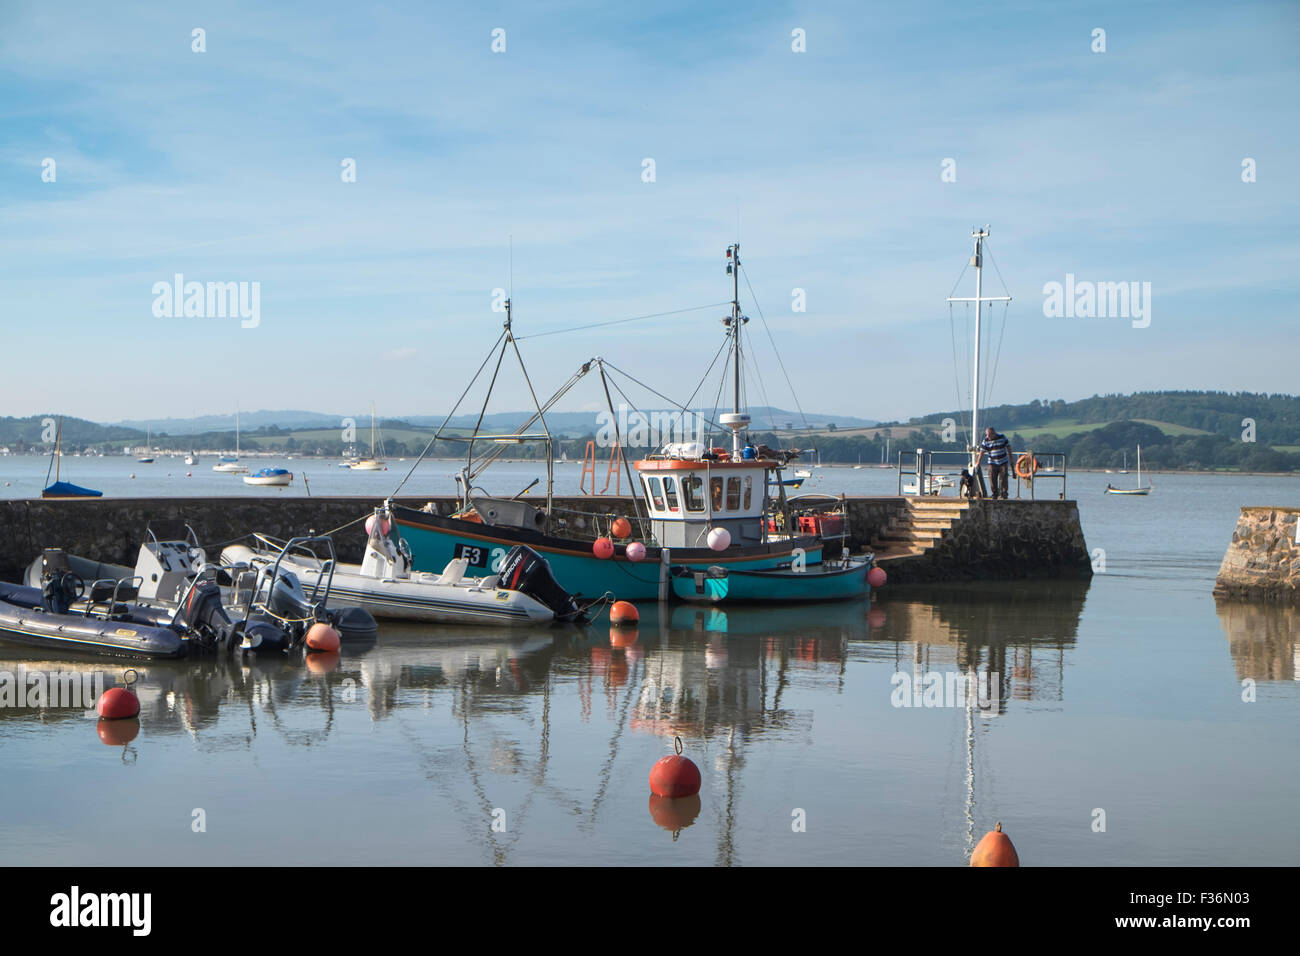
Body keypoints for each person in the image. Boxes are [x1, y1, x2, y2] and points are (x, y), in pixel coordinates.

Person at [976, 426, 1011, 499]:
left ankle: (1004, 493)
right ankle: (995, 493)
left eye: (989, 435)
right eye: (987, 434)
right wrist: (978, 462)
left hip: (1003, 461)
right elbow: (981, 452)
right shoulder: (985, 440)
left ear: (993, 433)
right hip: (992, 462)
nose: (988, 436)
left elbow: (1008, 447)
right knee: (992, 478)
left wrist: (1011, 458)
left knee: (1004, 478)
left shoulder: (1002, 437)